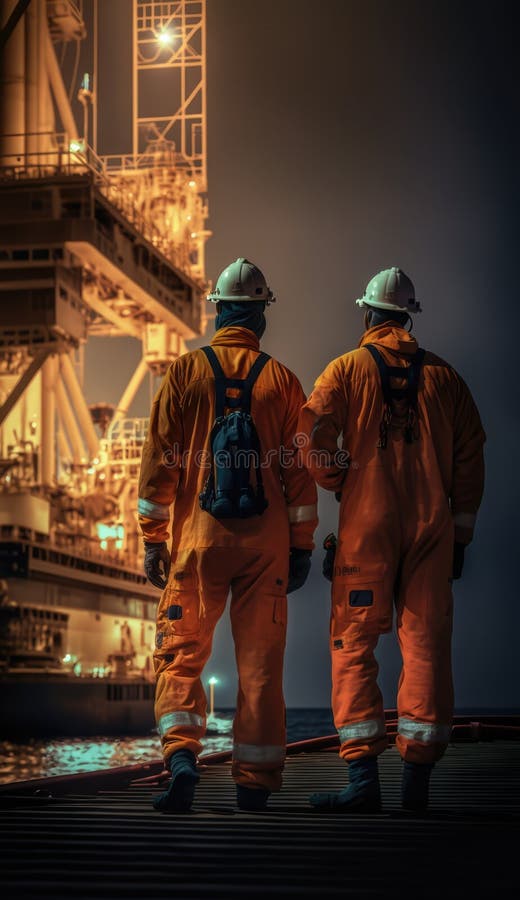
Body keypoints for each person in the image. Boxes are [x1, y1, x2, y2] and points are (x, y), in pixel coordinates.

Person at [298, 266, 485, 812]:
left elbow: (310, 433)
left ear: (368, 315)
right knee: (425, 647)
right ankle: (416, 787)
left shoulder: (345, 370)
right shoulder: (447, 380)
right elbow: (471, 460)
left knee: (353, 646)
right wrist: (461, 539)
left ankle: (362, 783)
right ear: (407, 317)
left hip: (366, 528)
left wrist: (338, 477)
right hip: (433, 530)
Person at [138, 257, 318, 812]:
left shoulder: (185, 374)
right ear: (261, 315)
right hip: (265, 549)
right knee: (261, 666)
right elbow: (300, 472)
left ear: (218, 310)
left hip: (198, 543)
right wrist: (302, 546)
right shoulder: (283, 381)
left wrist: (153, 537)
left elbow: (159, 465)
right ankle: (255, 785)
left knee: (182, 655)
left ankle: (183, 759)